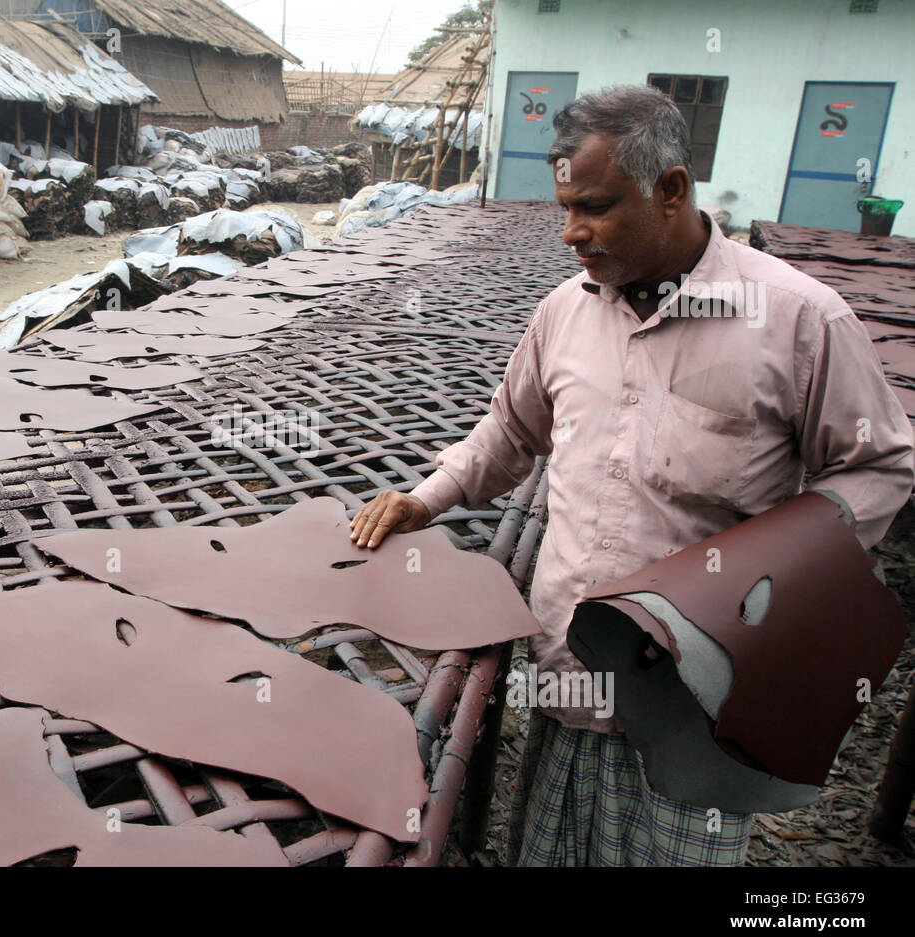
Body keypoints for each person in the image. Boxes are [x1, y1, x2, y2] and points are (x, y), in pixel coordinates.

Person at [348, 85, 914, 866]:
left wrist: (773, 582)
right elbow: (513, 429)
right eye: (566, 209)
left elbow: (879, 467)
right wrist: (425, 498)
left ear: (672, 189)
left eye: (599, 207)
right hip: (571, 667)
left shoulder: (796, 320)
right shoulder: (565, 313)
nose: (574, 234)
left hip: (699, 695)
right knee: (554, 847)